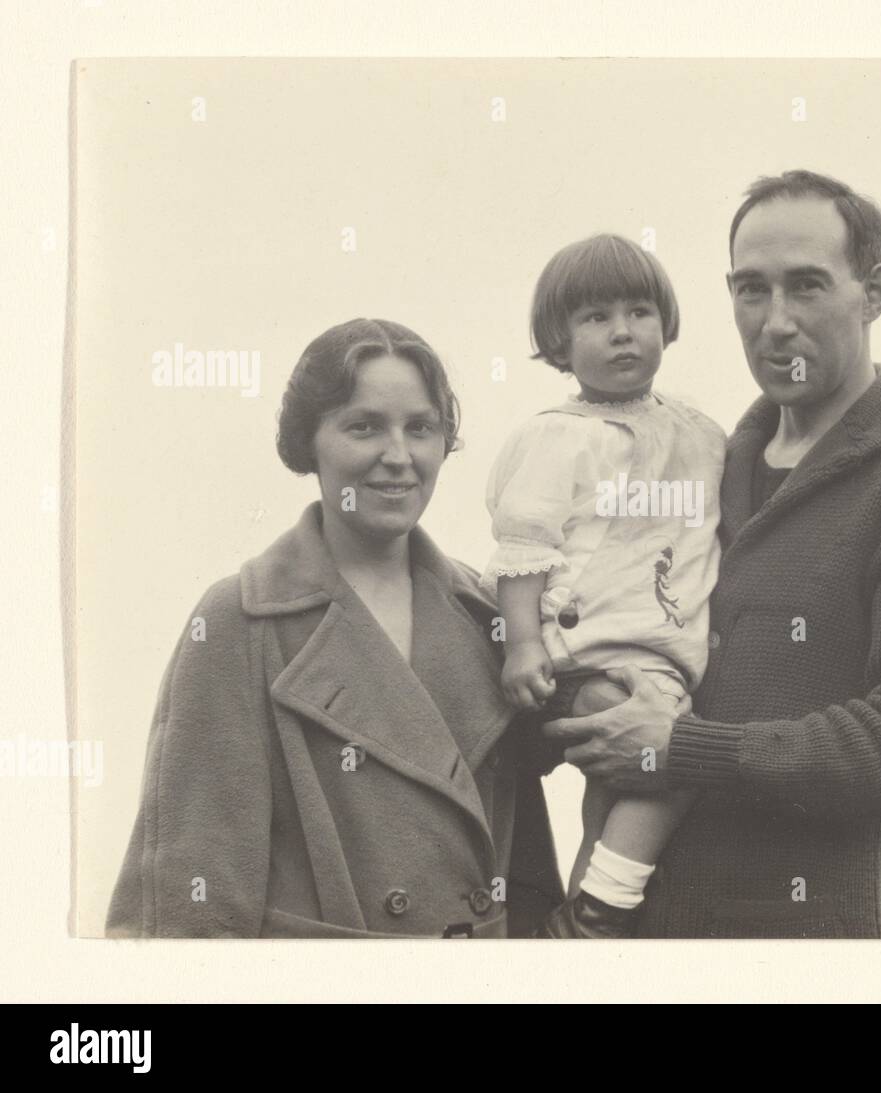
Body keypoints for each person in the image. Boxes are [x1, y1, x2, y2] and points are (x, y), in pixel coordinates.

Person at [543, 171, 881, 938]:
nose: (775, 322)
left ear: (875, 292)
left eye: (807, 286)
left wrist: (686, 749)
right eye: (751, 290)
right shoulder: (704, 464)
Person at [106, 318, 564, 938]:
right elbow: (191, 907)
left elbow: (529, 877)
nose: (398, 457)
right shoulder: (240, 622)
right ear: (309, 442)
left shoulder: (489, 614)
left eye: (421, 428)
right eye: (364, 426)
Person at [481, 235, 725, 938]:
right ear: (559, 340)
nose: (622, 331)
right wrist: (522, 642)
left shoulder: (701, 434)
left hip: (663, 654)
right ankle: (600, 911)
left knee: (616, 792)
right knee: (676, 763)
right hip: (588, 647)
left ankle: (578, 938)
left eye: (639, 311)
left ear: (666, 323)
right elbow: (524, 546)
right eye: (595, 317)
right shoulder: (559, 438)